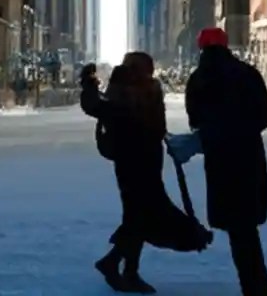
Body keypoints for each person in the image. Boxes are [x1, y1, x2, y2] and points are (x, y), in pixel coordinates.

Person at [81, 54, 209, 294]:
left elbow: (98, 107)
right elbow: (99, 108)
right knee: (138, 216)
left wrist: (89, 85)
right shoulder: (133, 89)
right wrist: (89, 84)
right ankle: (121, 268)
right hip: (138, 161)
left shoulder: (139, 88)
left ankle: (121, 268)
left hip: (139, 162)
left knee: (139, 215)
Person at [186, 27, 267, 296]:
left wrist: (215, 133)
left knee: (239, 228)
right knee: (245, 226)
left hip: (220, 159)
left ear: (201, 47)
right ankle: (256, 287)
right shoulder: (248, 74)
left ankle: (254, 287)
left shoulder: (198, 79)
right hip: (248, 156)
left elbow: (195, 121)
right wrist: (244, 130)